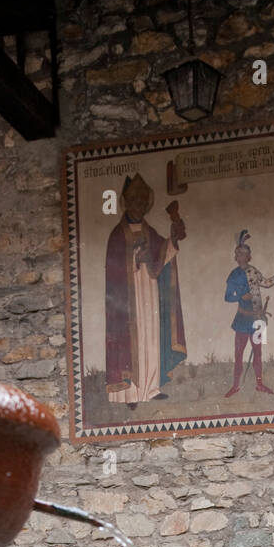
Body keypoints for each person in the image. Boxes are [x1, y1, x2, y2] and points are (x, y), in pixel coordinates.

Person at [104, 174, 187, 409]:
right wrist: (133, 260)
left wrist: (172, 239)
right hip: (127, 302)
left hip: (149, 294)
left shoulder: (150, 232)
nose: (138, 205)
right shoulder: (117, 235)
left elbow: (164, 255)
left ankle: (151, 388)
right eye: (135, 201)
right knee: (131, 340)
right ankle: (129, 393)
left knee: (151, 337)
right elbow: (113, 269)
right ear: (127, 203)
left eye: (142, 202)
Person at [223, 229, 274, 398]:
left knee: (258, 353)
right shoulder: (234, 275)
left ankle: (259, 384)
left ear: (248, 256)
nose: (243, 256)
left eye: (246, 254)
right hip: (242, 320)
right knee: (239, 354)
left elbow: (267, 283)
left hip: (257, 320)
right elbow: (227, 297)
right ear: (236, 256)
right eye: (240, 253)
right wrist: (241, 296)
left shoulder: (253, 271)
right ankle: (235, 386)